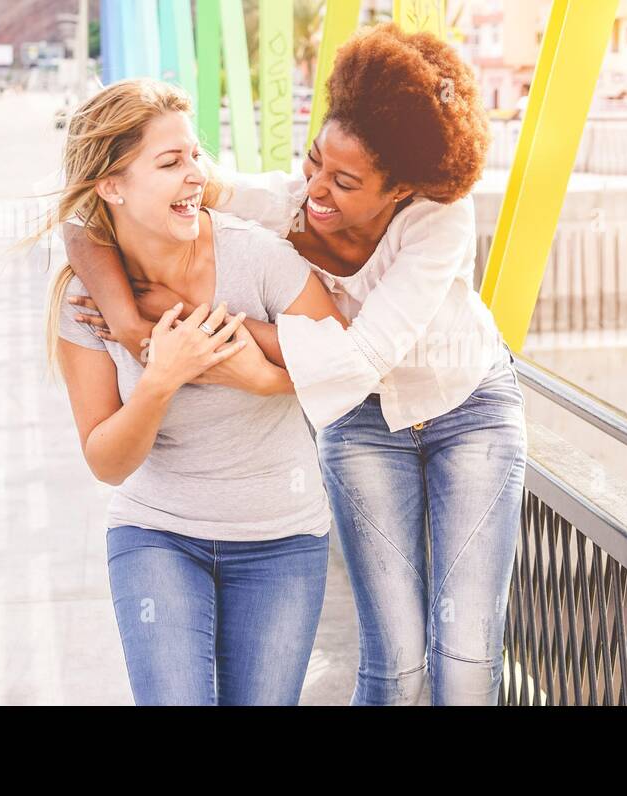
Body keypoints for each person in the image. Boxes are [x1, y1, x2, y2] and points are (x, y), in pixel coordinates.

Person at [65, 23, 527, 705]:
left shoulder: (439, 223)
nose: (316, 190)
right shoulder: (294, 204)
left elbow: (360, 356)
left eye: (344, 181)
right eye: (314, 162)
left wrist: (224, 336)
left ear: (398, 189)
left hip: (466, 411)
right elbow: (88, 220)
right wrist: (135, 323)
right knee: (395, 659)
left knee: (463, 657)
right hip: (359, 423)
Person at [39, 78, 346, 705]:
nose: (196, 176)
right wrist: (158, 382)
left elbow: (345, 368)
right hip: (158, 535)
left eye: (196, 156)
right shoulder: (86, 295)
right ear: (112, 185)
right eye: (171, 162)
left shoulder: (257, 258)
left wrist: (255, 376)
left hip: (281, 542)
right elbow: (106, 460)